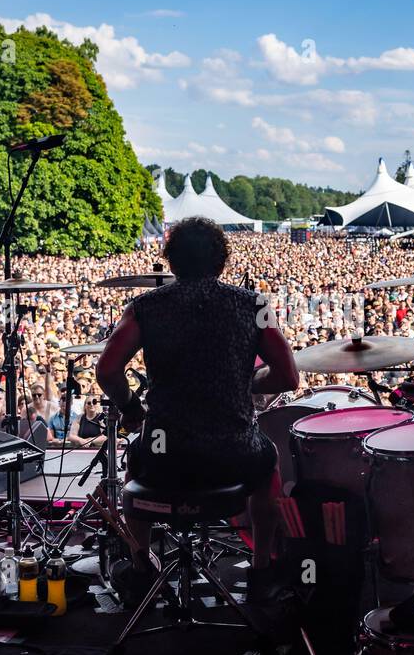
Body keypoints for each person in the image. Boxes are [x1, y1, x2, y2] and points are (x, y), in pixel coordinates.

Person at [97, 217, 299, 601]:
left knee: (135, 460)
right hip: (233, 453)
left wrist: (130, 406)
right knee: (268, 462)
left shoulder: (145, 308)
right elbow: (288, 377)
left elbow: (107, 369)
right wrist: (248, 384)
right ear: (221, 262)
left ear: (170, 263)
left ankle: (142, 569)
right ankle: (261, 569)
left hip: (165, 455)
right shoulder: (254, 306)